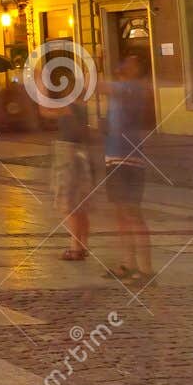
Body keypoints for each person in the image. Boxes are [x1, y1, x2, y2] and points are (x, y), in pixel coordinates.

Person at [103, 56, 154, 284]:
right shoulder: (124, 87)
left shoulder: (130, 88)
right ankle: (128, 264)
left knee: (132, 213)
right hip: (115, 157)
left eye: (131, 62)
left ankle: (146, 270)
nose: (123, 63)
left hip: (128, 158)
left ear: (137, 70)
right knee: (121, 213)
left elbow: (93, 86)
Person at [52, 101, 99, 260]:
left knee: (70, 204)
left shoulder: (68, 105)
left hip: (70, 153)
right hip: (82, 151)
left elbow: (45, 110)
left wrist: (38, 84)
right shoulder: (81, 103)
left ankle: (75, 248)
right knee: (81, 205)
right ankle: (82, 245)